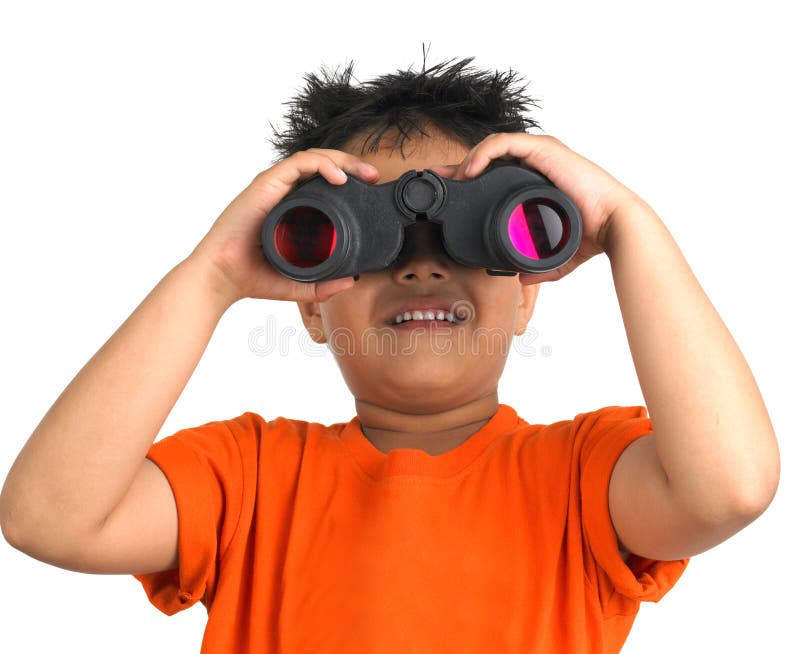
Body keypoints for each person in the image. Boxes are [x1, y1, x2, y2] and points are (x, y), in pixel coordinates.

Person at [0, 54, 780, 653]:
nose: (419, 266)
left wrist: (627, 226)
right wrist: (210, 275)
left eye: (462, 237)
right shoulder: (252, 477)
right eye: (363, 243)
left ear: (529, 291)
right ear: (309, 302)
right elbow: (48, 519)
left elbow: (730, 489)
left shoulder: (585, 476)